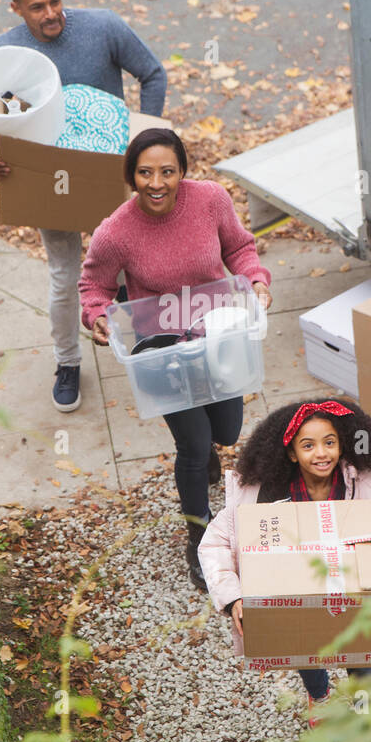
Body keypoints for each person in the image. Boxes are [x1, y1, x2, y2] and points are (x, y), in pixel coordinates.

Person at [79, 128, 272, 592]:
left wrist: (256, 279)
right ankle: (198, 534)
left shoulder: (210, 201)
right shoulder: (116, 231)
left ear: (183, 171)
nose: (156, 182)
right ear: (131, 177)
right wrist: (98, 316)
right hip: (162, 350)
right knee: (193, 441)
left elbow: (239, 248)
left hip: (218, 337)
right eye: (145, 173)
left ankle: (207, 451)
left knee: (225, 432)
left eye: (167, 171)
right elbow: (94, 286)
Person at [0, 0, 167, 413]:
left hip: (109, 175)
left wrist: (143, 143)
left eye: (56, 0)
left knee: (132, 268)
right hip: (50, 185)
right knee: (66, 278)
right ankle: (68, 363)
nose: (51, 14)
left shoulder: (102, 27)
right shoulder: (5, 51)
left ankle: (149, 345)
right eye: (37, 7)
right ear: (16, 9)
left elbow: (154, 74)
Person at [197, 398, 371, 726]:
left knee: (364, 657)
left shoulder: (366, 487)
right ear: (291, 453)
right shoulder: (259, 496)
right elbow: (214, 543)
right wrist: (232, 597)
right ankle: (320, 695)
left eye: (329, 443)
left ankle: (365, 713)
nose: (321, 453)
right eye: (308, 445)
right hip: (298, 601)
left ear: (342, 445)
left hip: (359, 599)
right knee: (306, 648)